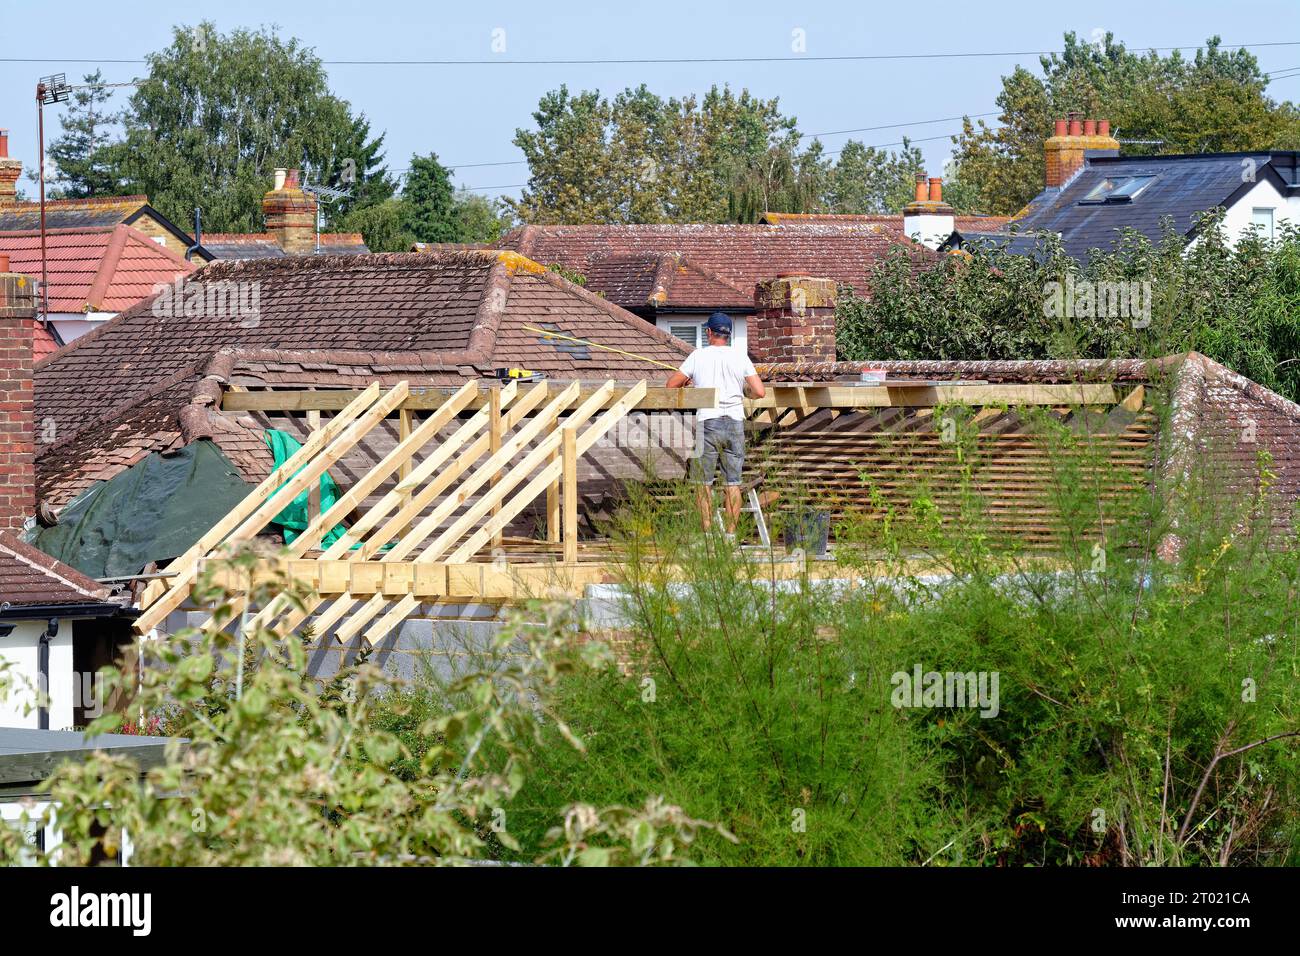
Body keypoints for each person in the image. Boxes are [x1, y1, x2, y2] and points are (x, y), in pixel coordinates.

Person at [665, 312, 765, 535]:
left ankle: (709, 534)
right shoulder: (740, 357)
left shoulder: (698, 356)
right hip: (735, 423)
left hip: (708, 422)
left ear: (709, 332)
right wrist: (742, 390)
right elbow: (759, 391)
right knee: (733, 483)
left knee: (703, 483)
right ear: (728, 335)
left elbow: (671, 385)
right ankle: (730, 534)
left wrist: (689, 383)